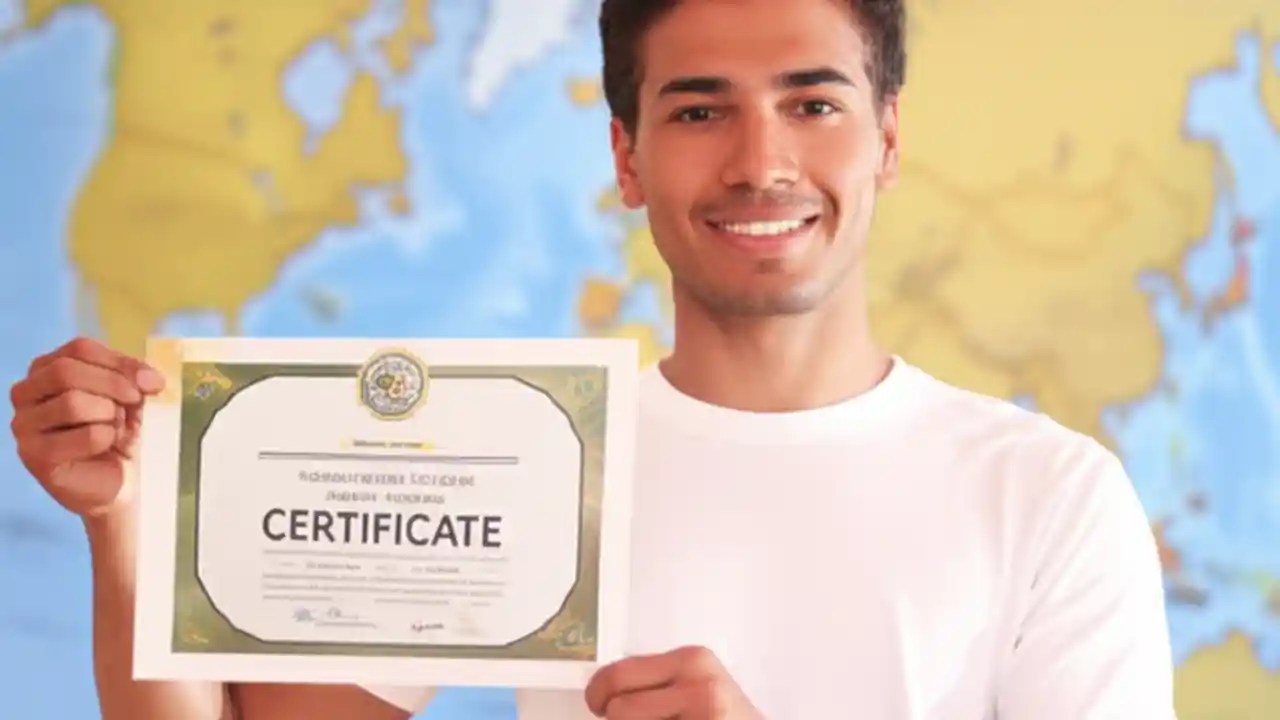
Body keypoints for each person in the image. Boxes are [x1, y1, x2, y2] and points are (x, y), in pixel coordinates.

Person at [8, 0, 1177, 717]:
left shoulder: (1047, 496)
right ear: (626, 158)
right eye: (697, 110)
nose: (759, 162)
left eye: (811, 104)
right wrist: (124, 530)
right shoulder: (528, 453)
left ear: (886, 140)